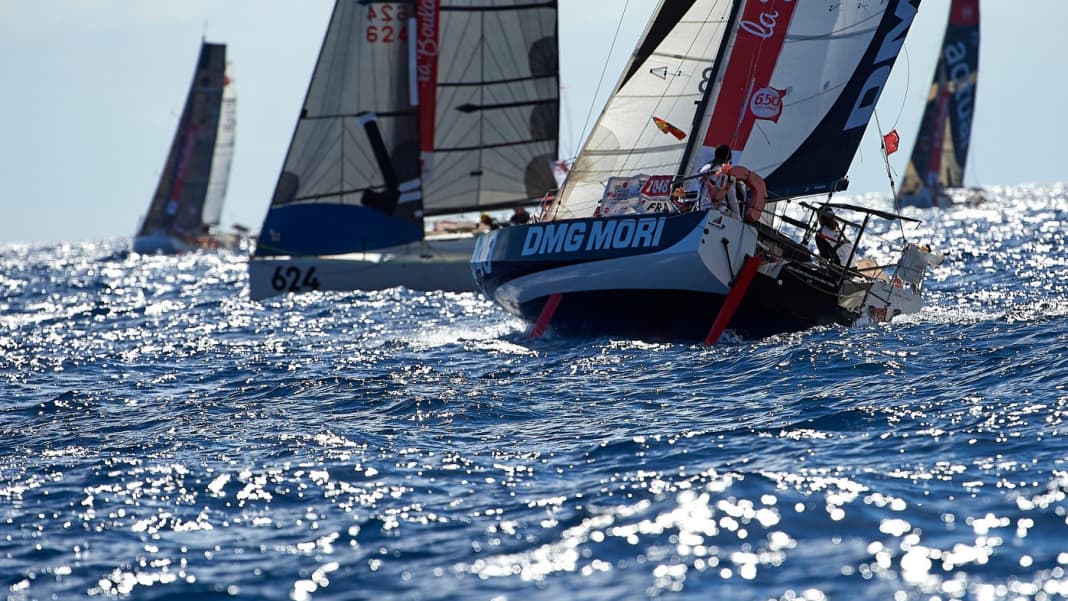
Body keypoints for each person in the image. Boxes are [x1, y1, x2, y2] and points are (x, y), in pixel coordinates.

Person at [698, 144, 742, 216]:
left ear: (715, 154)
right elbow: (732, 198)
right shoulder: (728, 174)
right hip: (718, 210)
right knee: (736, 217)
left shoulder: (703, 169)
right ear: (728, 159)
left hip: (701, 208)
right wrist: (738, 215)